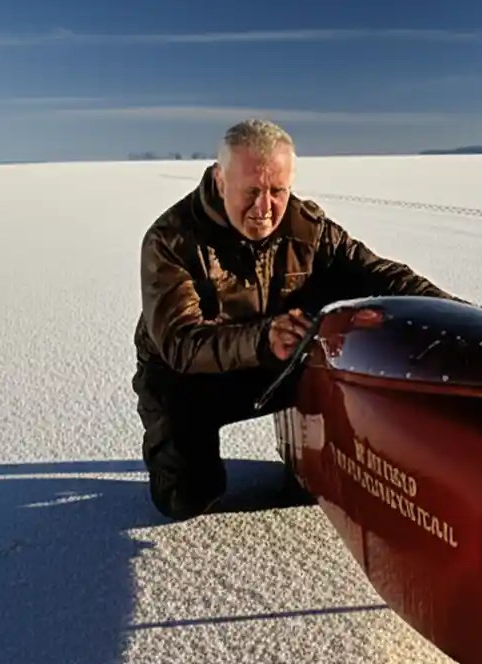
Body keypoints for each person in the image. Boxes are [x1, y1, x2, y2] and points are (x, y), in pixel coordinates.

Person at [132, 119, 457, 521]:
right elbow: (180, 343)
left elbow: (380, 274)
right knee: (186, 497)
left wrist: (448, 312)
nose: (264, 208)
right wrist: (263, 339)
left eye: (277, 191)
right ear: (220, 180)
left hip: (277, 358)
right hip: (187, 379)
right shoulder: (171, 240)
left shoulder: (308, 229)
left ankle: (326, 456)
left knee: (351, 336)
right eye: (251, 191)